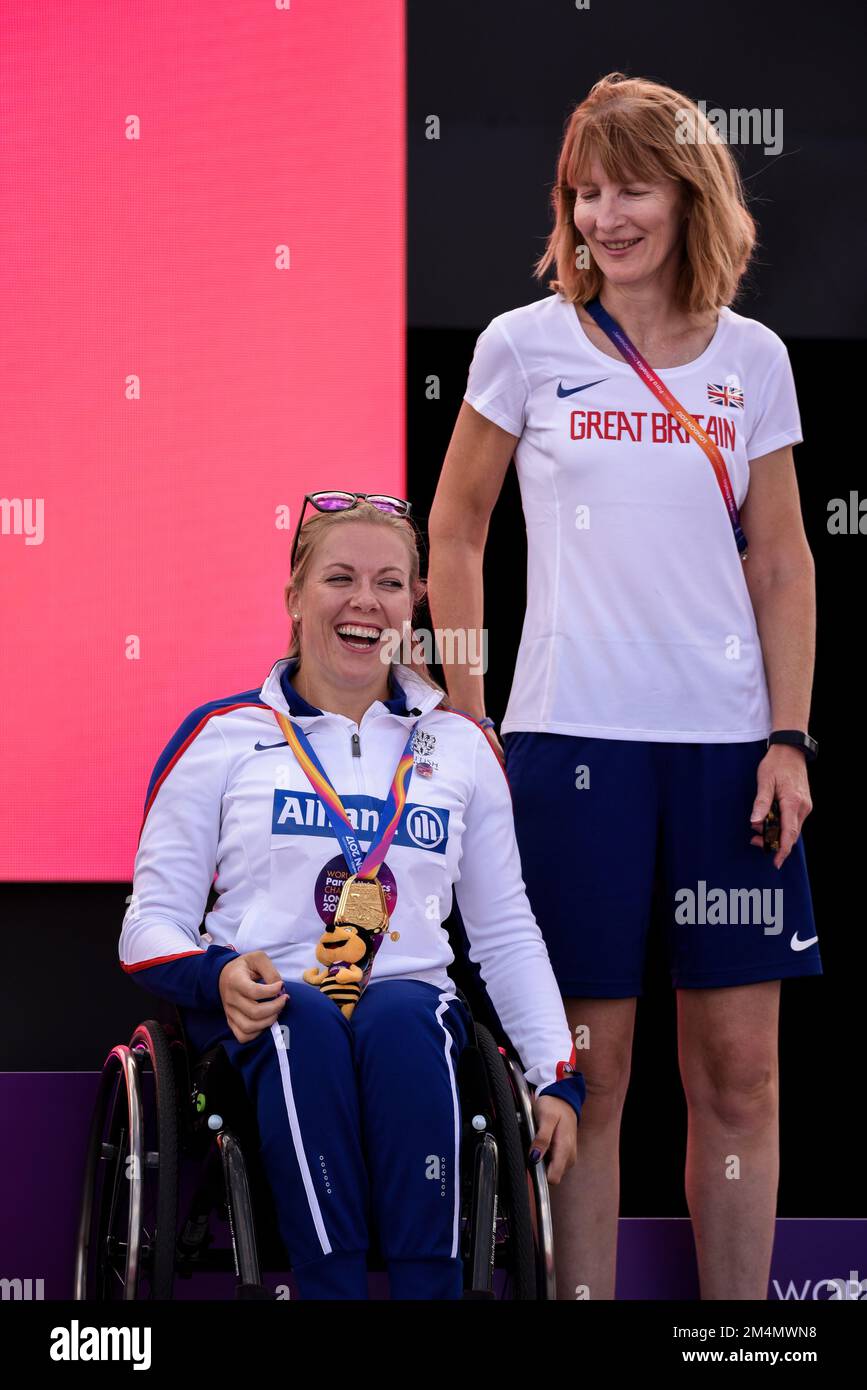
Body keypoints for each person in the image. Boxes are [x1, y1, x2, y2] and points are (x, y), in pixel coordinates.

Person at [427, 73, 821, 1301]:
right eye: (585, 192)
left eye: (630, 188)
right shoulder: (522, 344)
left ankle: (742, 1335)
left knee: (740, 1073)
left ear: (690, 193)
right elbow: (455, 528)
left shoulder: (753, 358)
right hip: (566, 747)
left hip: (724, 760)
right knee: (586, 1071)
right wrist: (466, 707)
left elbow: (782, 556)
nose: (603, 216)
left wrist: (790, 736)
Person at [118, 492, 585, 1301]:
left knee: (405, 1015)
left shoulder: (461, 746)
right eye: (339, 577)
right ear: (294, 597)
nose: (365, 602)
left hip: (408, 1007)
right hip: (266, 1008)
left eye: (390, 583)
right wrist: (218, 975)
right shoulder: (221, 736)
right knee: (303, 1020)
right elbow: (147, 925)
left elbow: (504, 930)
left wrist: (554, 1075)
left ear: (414, 605)